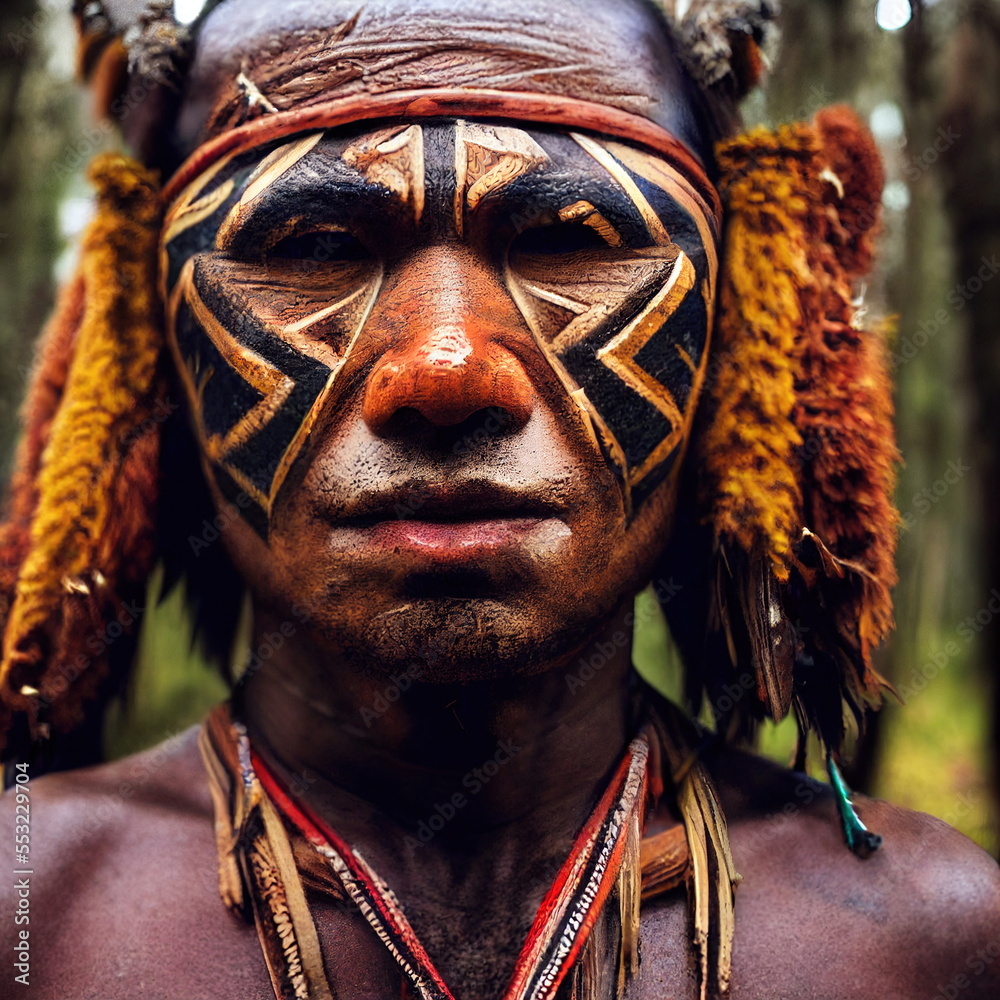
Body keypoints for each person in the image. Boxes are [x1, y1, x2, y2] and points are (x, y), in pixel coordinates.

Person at [1, 0, 998, 997]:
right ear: (147, 345)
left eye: (572, 238)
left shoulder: (929, 942)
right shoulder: (27, 911)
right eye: (311, 248)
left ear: (741, 328)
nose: (446, 372)